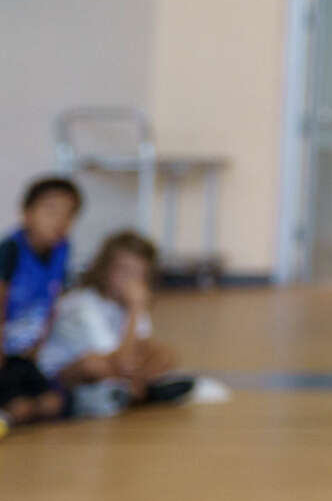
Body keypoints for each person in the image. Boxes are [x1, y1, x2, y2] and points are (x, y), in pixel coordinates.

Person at [38, 230, 197, 418]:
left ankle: (132, 391)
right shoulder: (82, 306)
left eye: (137, 274)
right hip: (59, 378)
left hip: (115, 369)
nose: (130, 281)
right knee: (94, 365)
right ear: (104, 269)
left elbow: (142, 347)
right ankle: (141, 391)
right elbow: (120, 362)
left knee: (163, 353)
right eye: (123, 271)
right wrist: (135, 309)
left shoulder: (126, 302)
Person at [1, 176, 82, 433]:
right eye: (51, 211)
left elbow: (52, 298)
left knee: (53, 403)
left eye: (68, 215)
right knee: (20, 408)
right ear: (27, 213)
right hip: (4, 355)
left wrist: (39, 344)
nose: (59, 221)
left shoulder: (62, 250)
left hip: (24, 355)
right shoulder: (10, 250)